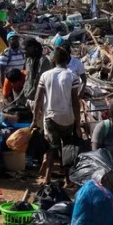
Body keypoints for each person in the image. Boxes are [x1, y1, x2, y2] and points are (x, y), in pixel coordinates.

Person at [33, 46, 81, 185]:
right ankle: (67, 180)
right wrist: (77, 123)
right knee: (66, 148)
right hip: (68, 118)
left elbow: (38, 100)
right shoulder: (72, 76)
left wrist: (34, 119)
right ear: (67, 60)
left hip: (50, 116)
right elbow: (75, 101)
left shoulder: (45, 75)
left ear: (53, 60)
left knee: (51, 148)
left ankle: (47, 179)